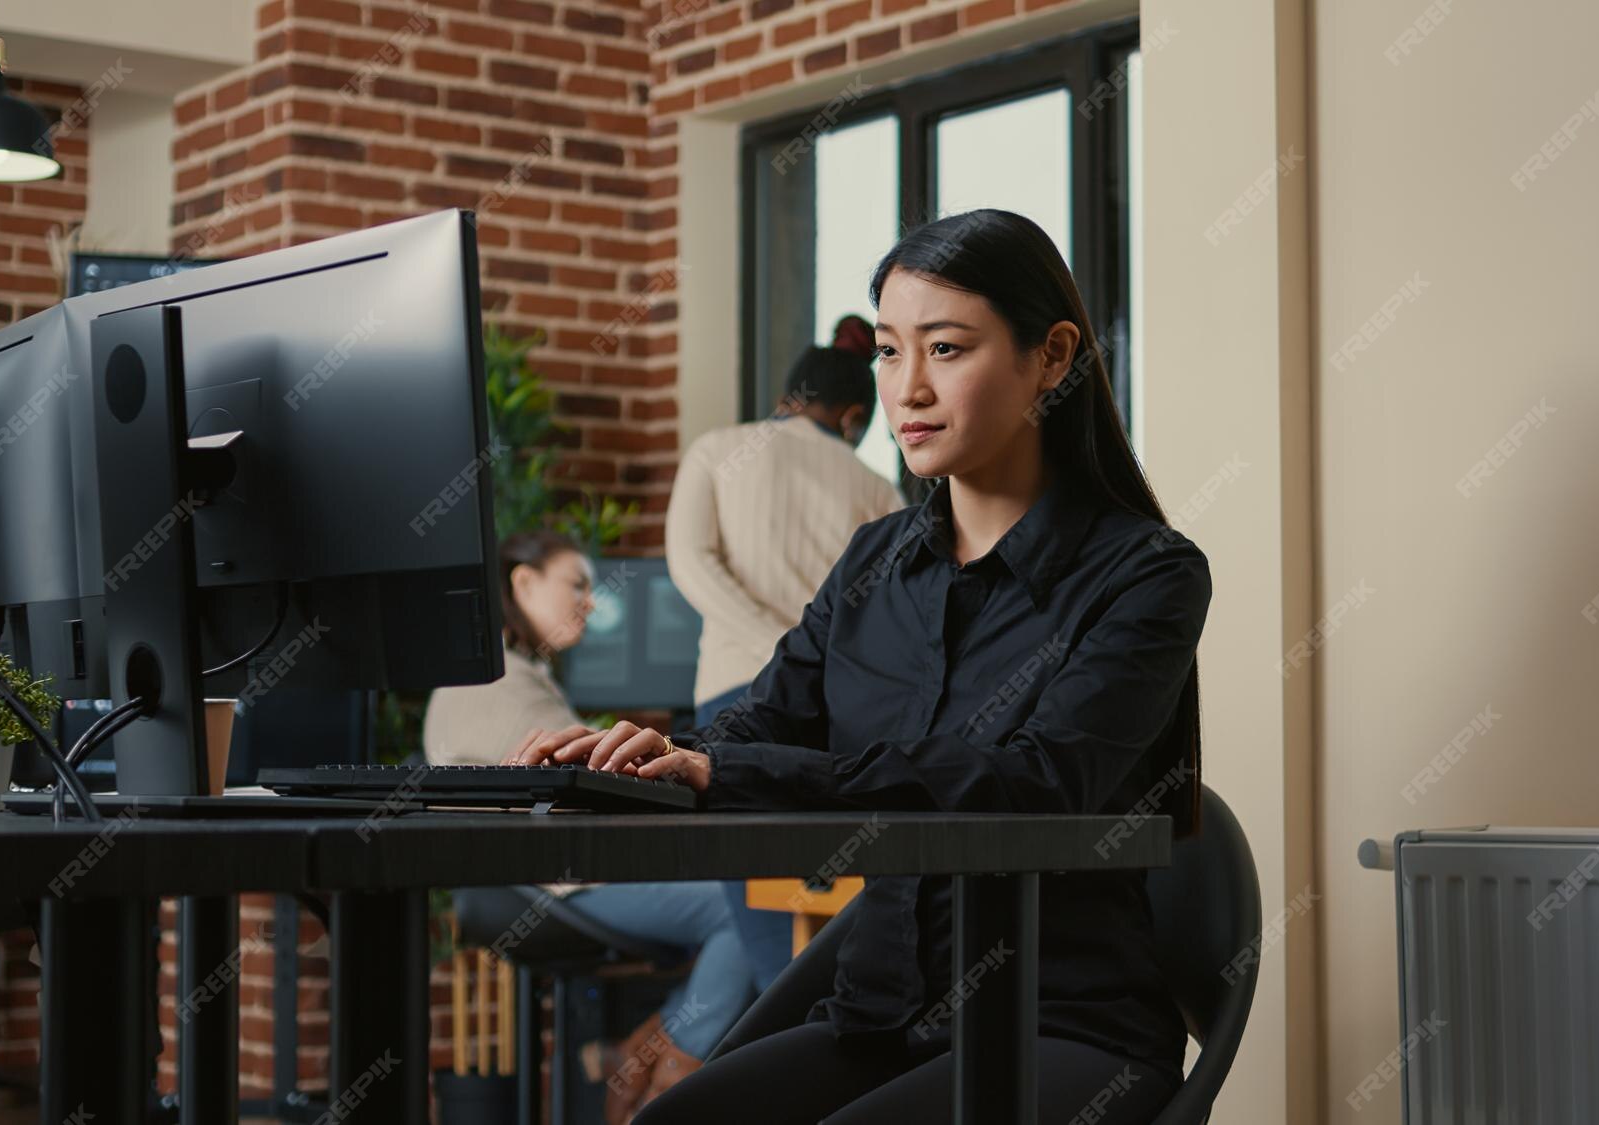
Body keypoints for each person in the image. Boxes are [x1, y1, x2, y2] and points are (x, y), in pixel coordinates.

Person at [506, 208, 1210, 1124]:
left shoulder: (1147, 573)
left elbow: (1038, 782)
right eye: (886, 351)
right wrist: (645, 760)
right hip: (879, 1017)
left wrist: (731, 769)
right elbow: (762, 724)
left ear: (1051, 357)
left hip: (1060, 1025)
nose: (907, 388)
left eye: (946, 348)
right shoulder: (874, 561)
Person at [425, 531, 783, 1124]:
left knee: (739, 909)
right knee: (741, 905)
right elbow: (578, 792)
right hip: (551, 879)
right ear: (523, 583)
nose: (590, 602)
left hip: (527, 876)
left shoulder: (507, 677)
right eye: (577, 585)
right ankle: (666, 1088)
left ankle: (642, 1059)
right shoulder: (504, 684)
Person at [665, 315, 903, 730]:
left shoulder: (715, 450)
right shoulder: (879, 489)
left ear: (785, 399)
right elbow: (892, 607)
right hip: (833, 696)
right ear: (852, 418)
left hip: (735, 687)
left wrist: (777, 647)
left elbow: (690, 562)